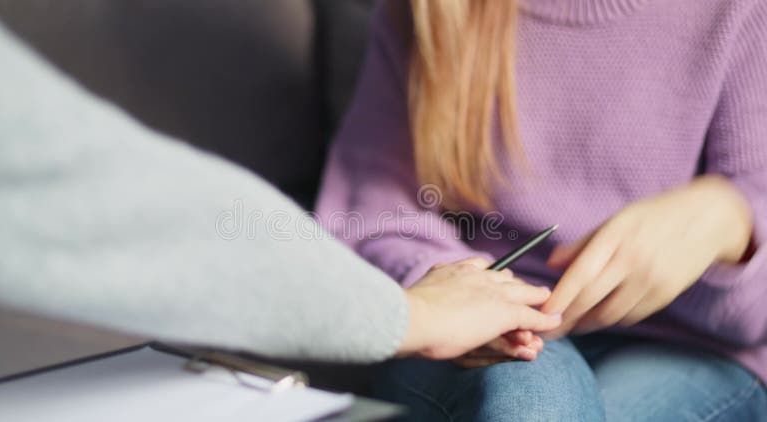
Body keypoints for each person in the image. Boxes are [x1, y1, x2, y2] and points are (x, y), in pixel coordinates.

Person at [0, 0, 561, 367]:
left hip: (572, 325)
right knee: (525, 396)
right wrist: (415, 310)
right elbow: (86, 188)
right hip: (457, 304)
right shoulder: (426, 20)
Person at [316, 0, 767, 420]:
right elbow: (373, 216)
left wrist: (731, 222)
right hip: (480, 325)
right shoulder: (432, 11)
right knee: (532, 386)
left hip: (690, 348)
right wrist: (454, 294)